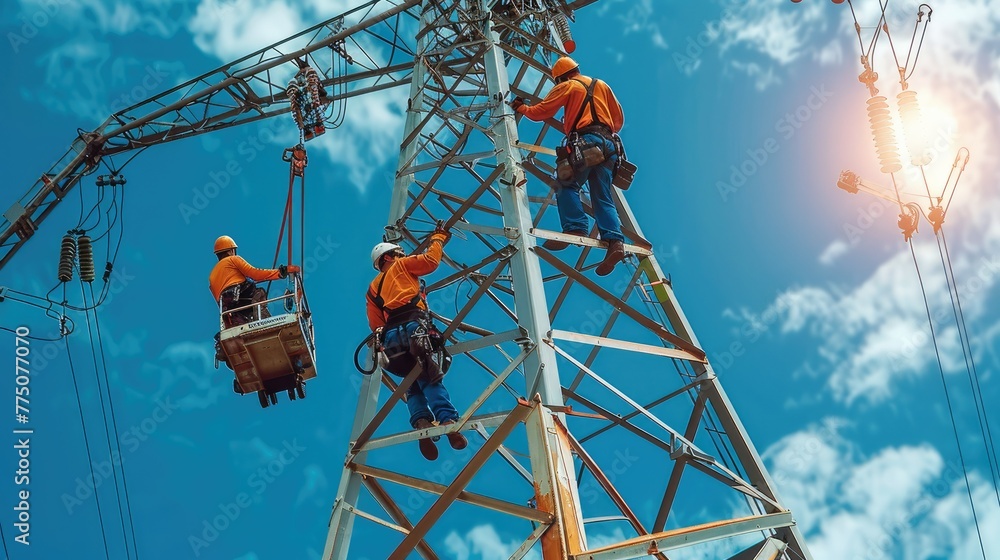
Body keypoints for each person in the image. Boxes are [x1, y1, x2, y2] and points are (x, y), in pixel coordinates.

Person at [511, 55, 626, 276]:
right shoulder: (601, 84)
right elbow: (618, 120)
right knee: (602, 196)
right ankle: (615, 242)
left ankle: (575, 228)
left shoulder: (568, 86)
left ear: (560, 78)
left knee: (565, 184)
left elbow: (541, 112)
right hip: (610, 146)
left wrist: (522, 108)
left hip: (587, 142)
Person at [366, 229, 467, 461]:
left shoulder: (373, 288)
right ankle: (447, 419)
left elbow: (375, 324)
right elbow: (431, 262)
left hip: (392, 340)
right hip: (414, 328)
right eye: (398, 254)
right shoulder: (401, 266)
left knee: (412, 380)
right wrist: (438, 239)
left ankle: (421, 419)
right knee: (429, 374)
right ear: (389, 257)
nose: (402, 256)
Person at [209, 235, 299, 327]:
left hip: (229, 308)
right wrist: (280, 273)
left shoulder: (212, 275)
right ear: (231, 251)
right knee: (259, 293)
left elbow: (218, 300)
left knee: (241, 313)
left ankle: (242, 322)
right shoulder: (233, 260)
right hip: (242, 295)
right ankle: (264, 322)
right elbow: (255, 274)